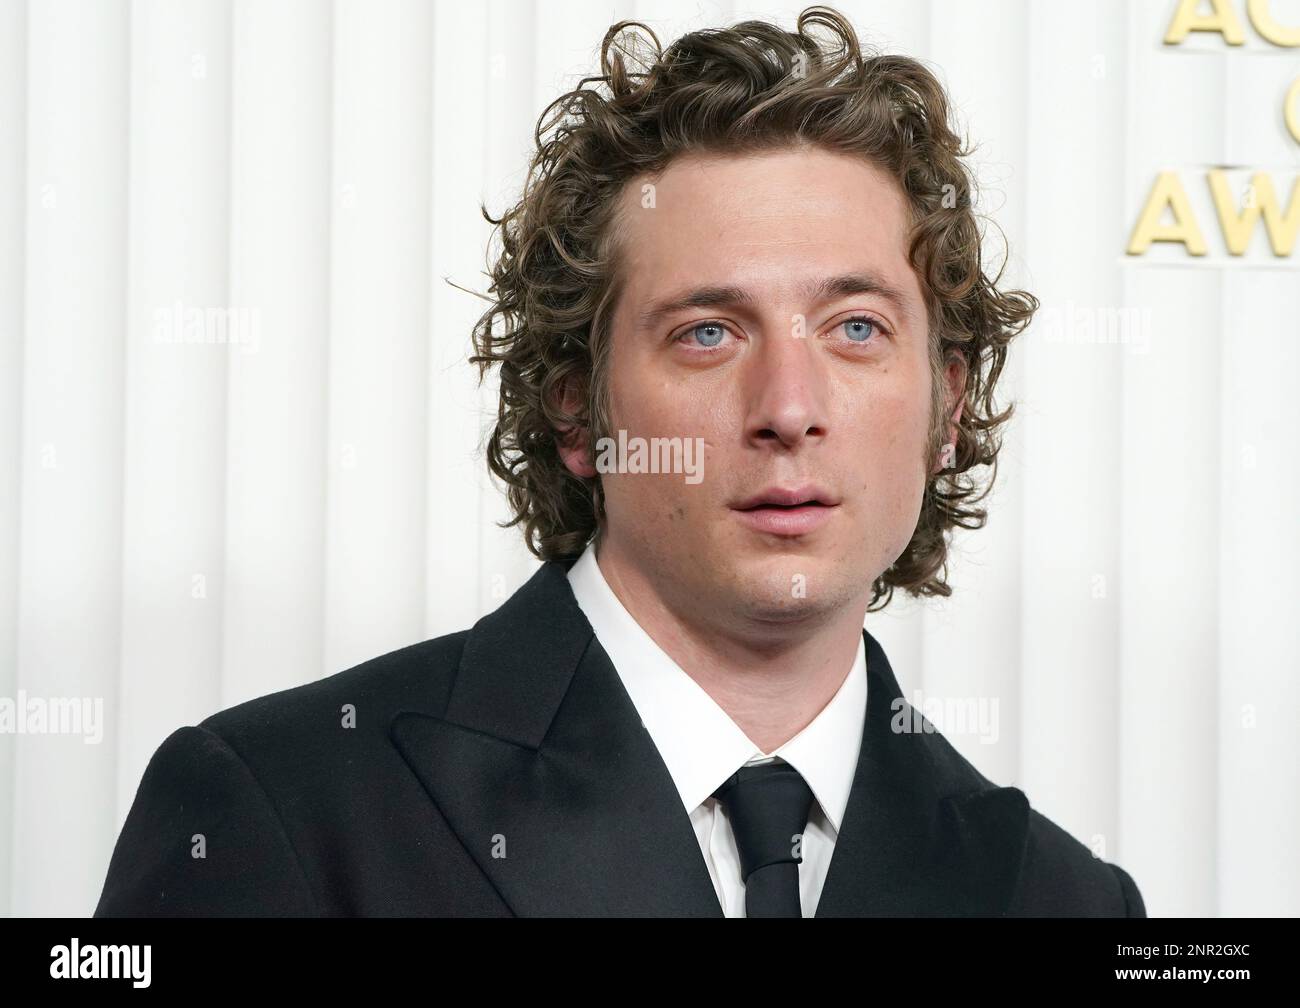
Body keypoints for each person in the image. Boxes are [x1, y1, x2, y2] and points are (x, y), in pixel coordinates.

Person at [95, 6, 1145, 917]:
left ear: (946, 404)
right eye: (705, 333)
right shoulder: (283, 807)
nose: (787, 408)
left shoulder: (1062, 899)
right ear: (575, 407)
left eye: (857, 328)